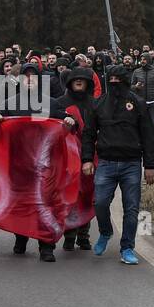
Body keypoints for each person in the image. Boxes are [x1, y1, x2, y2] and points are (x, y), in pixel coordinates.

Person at [81, 65, 154, 265]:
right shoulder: (98, 104)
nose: (114, 82)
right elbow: (88, 134)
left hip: (131, 164)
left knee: (131, 208)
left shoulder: (138, 103)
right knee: (100, 203)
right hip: (106, 163)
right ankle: (106, 232)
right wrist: (87, 159)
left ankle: (127, 248)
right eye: (111, 79)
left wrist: (150, 165)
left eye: (118, 79)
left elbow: (149, 136)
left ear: (125, 81)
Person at [0, 62, 57, 261]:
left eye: (33, 76)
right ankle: (21, 237)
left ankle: (46, 246)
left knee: (44, 205)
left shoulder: (51, 104)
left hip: (45, 164)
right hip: (18, 163)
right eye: (25, 75)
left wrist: (71, 122)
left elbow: (65, 127)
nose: (29, 79)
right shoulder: (9, 103)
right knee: (20, 204)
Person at [52, 66, 97, 252]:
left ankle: (84, 235)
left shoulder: (95, 103)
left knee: (87, 195)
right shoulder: (59, 103)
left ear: (88, 83)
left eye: (82, 79)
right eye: (75, 79)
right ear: (70, 82)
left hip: (91, 155)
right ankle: (69, 234)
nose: (79, 81)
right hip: (67, 157)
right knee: (70, 195)